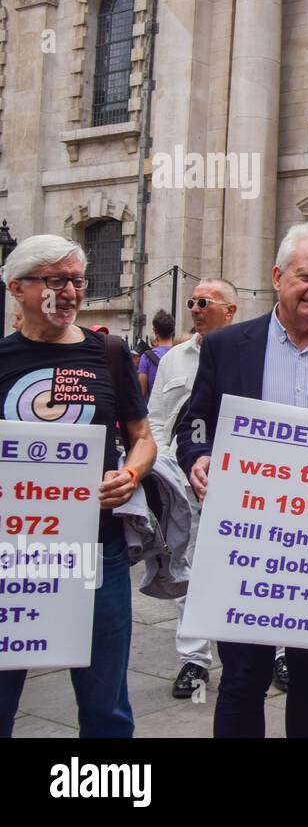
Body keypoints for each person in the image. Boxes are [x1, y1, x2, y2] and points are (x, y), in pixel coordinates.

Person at [178, 223, 308, 738]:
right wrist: (198, 457)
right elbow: (195, 421)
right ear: (277, 277)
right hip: (246, 545)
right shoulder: (229, 345)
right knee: (243, 676)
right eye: (307, 275)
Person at [1, 235, 157, 738]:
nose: (69, 291)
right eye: (54, 281)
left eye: (77, 280)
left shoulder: (107, 352)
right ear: (17, 289)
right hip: (13, 557)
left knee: (105, 705)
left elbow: (143, 437)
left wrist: (130, 474)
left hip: (97, 554)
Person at [147, 278, 240, 700]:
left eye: (205, 302)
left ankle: (276, 650)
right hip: (184, 483)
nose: (195, 309)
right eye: (192, 302)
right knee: (187, 568)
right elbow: (157, 418)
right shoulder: (174, 360)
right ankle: (194, 659)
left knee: (254, 567)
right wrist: (164, 466)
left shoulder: (249, 353)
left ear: (230, 310)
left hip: (240, 484)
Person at [137, 309, 176, 402]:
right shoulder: (181, 353)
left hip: (154, 411)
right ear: (173, 331)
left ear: (155, 331)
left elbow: (142, 392)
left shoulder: (146, 357)